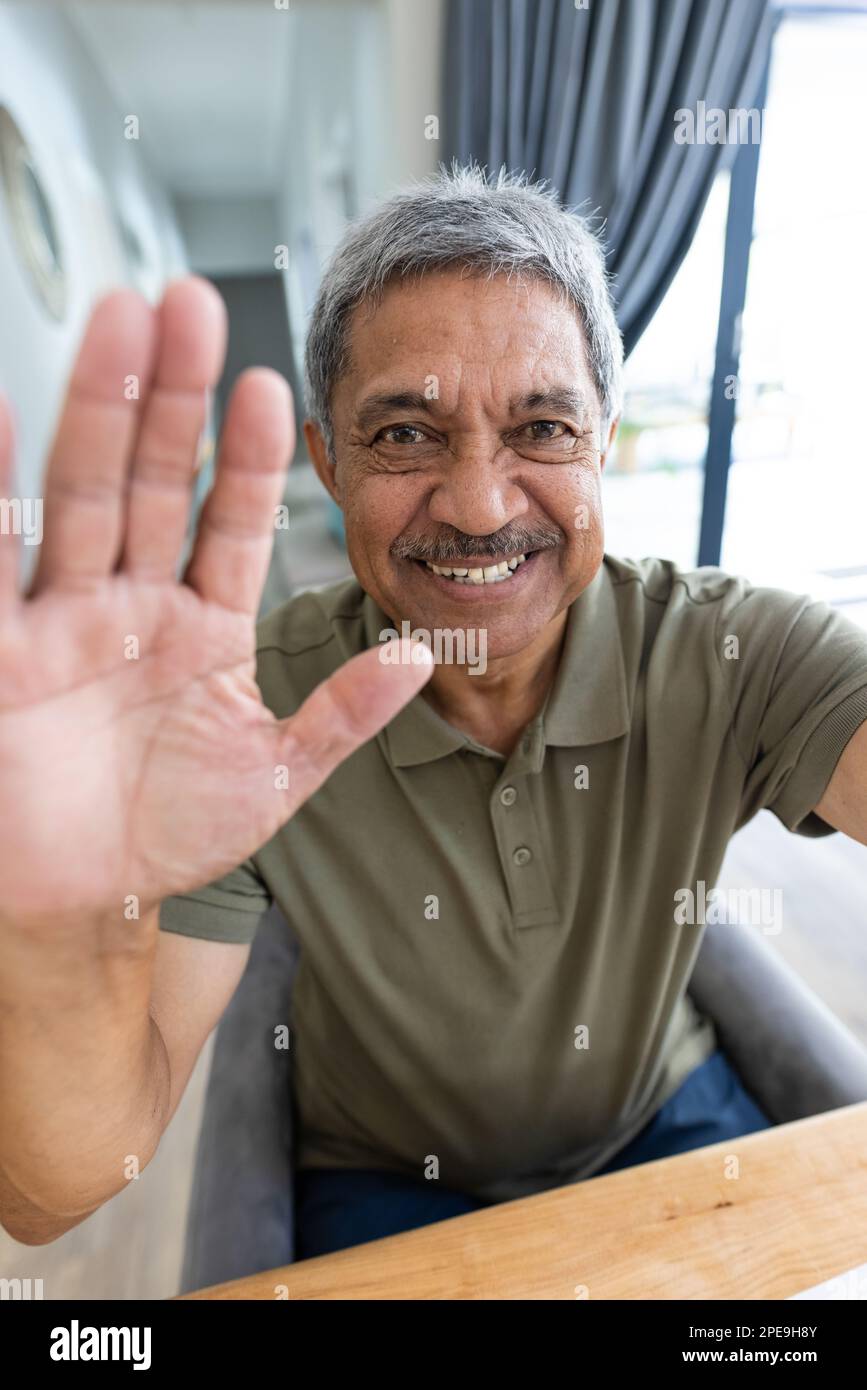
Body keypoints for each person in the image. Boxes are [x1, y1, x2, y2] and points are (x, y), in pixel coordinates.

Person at [1, 165, 865, 1258]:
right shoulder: (232, 717)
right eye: (405, 435)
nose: (478, 505)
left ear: (602, 442)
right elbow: (55, 1195)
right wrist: (54, 929)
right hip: (386, 1184)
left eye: (542, 427)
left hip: (664, 1126)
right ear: (326, 459)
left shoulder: (736, 649)